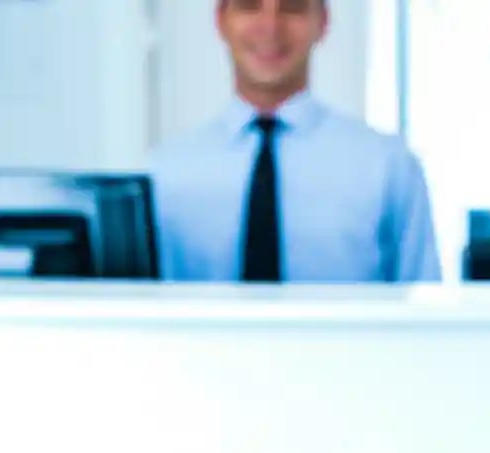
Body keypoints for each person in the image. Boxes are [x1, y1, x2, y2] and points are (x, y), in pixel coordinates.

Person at [149, 0, 441, 283]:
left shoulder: (389, 167)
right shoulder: (162, 175)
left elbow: (427, 319)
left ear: (323, 22)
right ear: (221, 20)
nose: (270, 27)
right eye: (249, 6)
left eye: (293, 7)